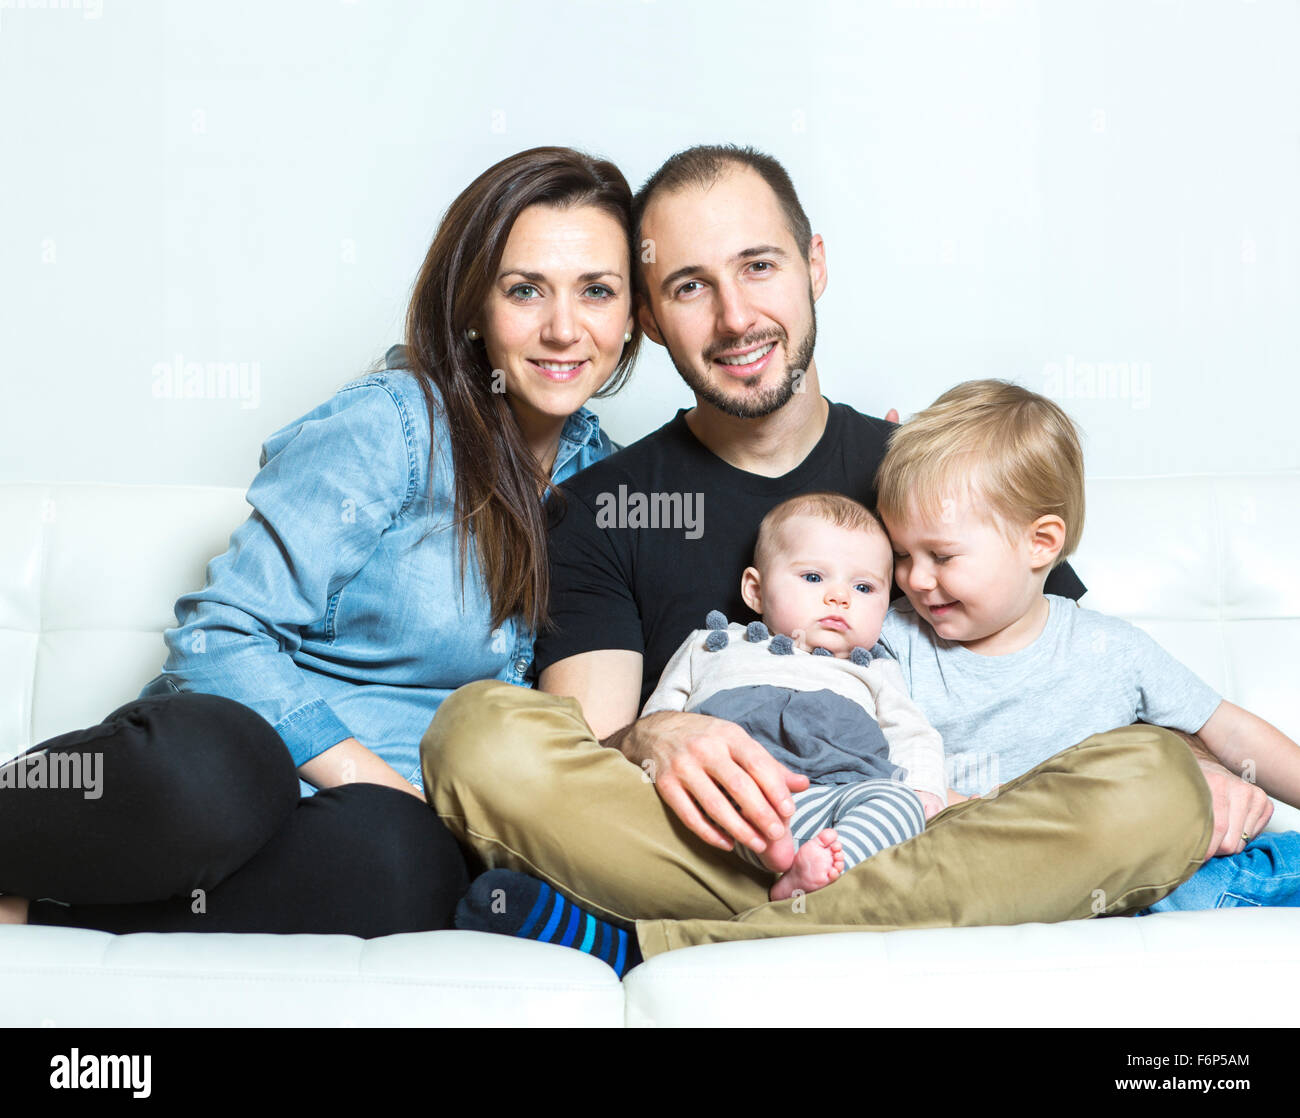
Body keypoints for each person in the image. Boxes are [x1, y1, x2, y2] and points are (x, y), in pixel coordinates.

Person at [422, 144, 1262, 967]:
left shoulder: (925, 473)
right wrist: (654, 735)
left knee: (1156, 781)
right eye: (690, 286)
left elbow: (1070, 670)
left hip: (924, 834)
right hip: (711, 846)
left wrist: (1199, 769)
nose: (736, 318)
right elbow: (588, 747)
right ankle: (833, 919)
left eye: (759, 266)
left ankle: (659, 944)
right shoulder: (603, 506)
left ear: (814, 264)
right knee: (478, 734)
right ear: (648, 314)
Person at [0, 146, 640, 937]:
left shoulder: (614, 488)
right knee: (219, 776)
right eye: (524, 290)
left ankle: (42, 913)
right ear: (474, 305)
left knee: (405, 868)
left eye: (597, 291)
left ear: (632, 316)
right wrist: (386, 788)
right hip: (231, 776)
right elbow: (219, 640)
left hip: (354, 833)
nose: (564, 328)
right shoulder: (392, 426)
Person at [643, 493, 946, 901]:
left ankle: (815, 871)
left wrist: (925, 791)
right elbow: (659, 725)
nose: (839, 597)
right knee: (706, 784)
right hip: (734, 784)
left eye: (863, 587)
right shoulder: (712, 645)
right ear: (755, 590)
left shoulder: (874, 670)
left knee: (899, 804)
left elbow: (913, 734)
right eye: (814, 578)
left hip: (832, 798)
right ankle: (775, 848)